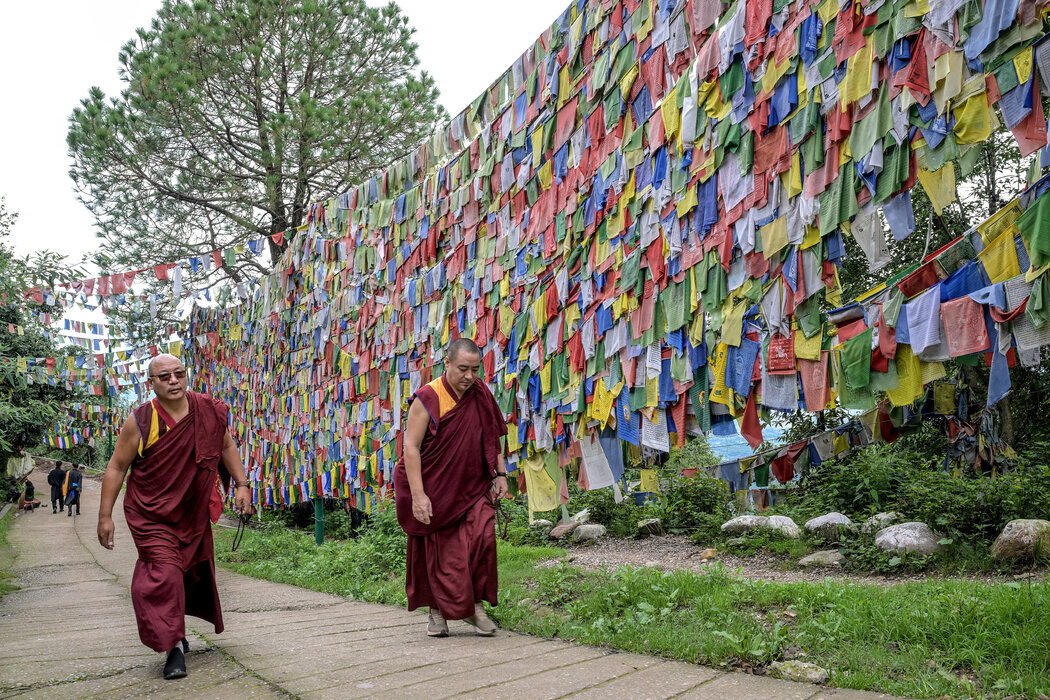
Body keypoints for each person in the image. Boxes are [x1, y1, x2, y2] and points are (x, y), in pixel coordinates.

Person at [96, 354, 251, 681]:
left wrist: (241, 484)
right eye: (164, 376)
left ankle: (175, 631)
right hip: (150, 514)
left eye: (179, 374)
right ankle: (173, 646)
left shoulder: (207, 410)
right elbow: (117, 467)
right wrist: (104, 516)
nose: (173, 381)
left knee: (183, 574)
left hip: (191, 512)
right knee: (162, 575)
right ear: (151, 383)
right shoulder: (141, 420)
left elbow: (226, 446)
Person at [393, 338, 508, 638]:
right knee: (439, 552)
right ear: (447, 363)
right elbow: (411, 448)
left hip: (472, 485)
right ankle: (436, 612)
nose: (469, 376)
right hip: (435, 487)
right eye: (463, 369)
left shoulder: (480, 393)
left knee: (483, 538)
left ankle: (475, 606)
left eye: (475, 369)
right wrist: (419, 496)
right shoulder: (428, 397)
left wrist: (501, 474)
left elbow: (492, 436)